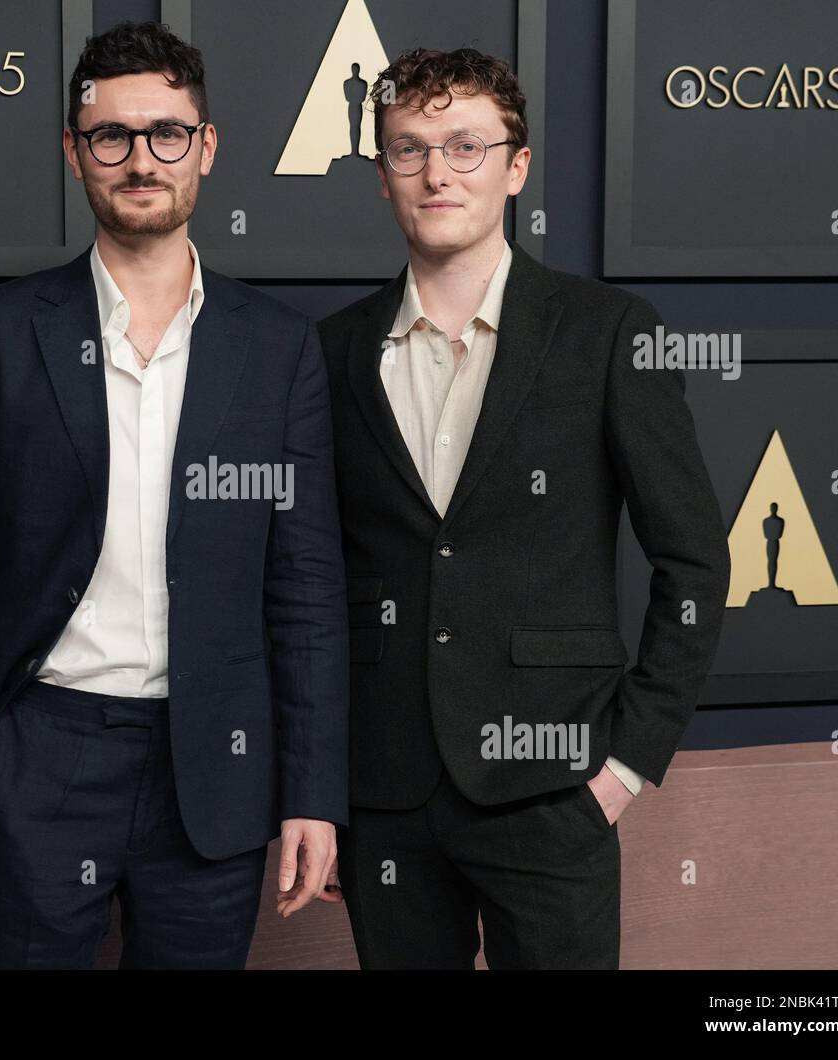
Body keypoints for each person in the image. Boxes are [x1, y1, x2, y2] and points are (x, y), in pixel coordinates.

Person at [0, 21, 349, 969]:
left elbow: (307, 583)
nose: (140, 159)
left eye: (166, 133)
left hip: (218, 767)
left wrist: (312, 789)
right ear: (75, 153)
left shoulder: (277, 348)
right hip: (41, 755)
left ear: (207, 147)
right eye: (111, 136)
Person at [316, 46, 730, 969]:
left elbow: (696, 563)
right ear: (381, 175)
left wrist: (622, 770)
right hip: (384, 793)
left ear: (518, 166)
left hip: (556, 788)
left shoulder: (610, 335)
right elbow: (308, 577)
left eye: (466, 146)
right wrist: (321, 783)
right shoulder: (330, 351)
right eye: (409, 148)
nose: (437, 172)